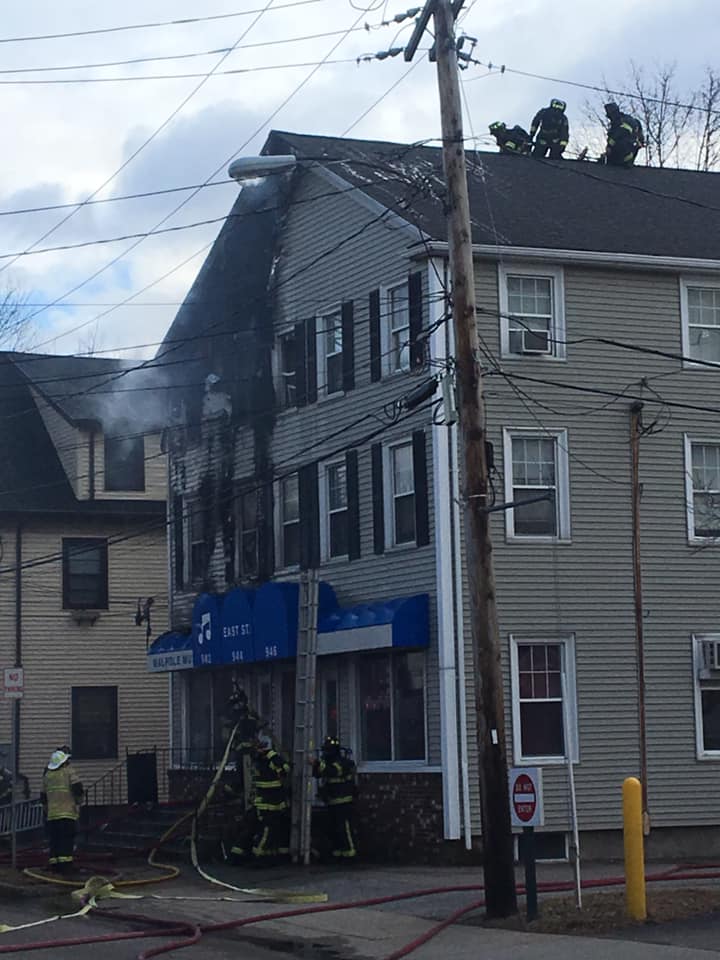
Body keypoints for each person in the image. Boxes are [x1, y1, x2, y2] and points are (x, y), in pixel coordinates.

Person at [231, 735, 290, 862]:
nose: (257, 750)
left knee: (252, 829)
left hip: (262, 802)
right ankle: (258, 856)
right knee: (267, 831)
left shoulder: (260, 760)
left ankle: (238, 855)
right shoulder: (269, 759)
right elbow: (285, 770)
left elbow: (282, 771)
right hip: (271, 803)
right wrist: (272, 755)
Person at [312, 736, 358, 861]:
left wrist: (317, 764)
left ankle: (350, 854)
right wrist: (315, 766)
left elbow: (332, 771)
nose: (325, 753)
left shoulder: (342, 762)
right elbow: (317, 774)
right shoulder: (327, 762)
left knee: (344, 828)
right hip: (332, 801)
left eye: (327, 750)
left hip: (344, 801)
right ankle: (338, 853)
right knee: (333, 829)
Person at [40, 747, 83, 873]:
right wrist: (78, 802)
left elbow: (43, 797)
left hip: (52, 815)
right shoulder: (69, 772)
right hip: (67, 814)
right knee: (66, 840)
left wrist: (46, 810)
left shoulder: (47, 776)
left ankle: (54, 865)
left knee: (54, 841)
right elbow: (78, 789)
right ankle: (66, 867)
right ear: (64, 762)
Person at [600, 102, 646, 167]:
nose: (610, 119)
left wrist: (609, 146)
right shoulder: (630, 120)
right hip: (629, 156)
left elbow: (619, 133)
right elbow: (640, 139)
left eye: (610, 116)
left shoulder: (621, 123)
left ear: (613, 114)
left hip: (622, 156)